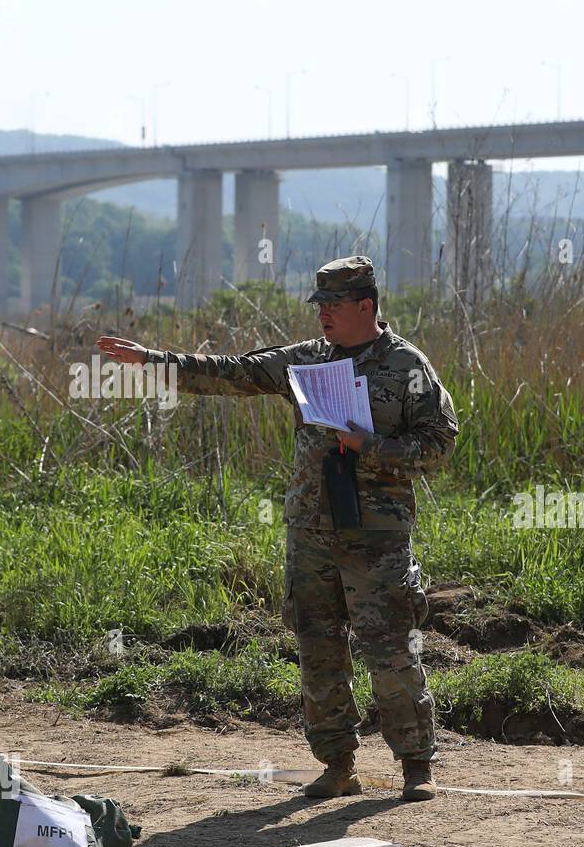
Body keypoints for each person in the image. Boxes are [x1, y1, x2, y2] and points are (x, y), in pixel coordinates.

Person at [97, 256, 458, 802]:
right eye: (319, 307)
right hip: (311, 532)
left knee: (389, 650)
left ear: (366, 306)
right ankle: (337, 764)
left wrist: (371, 447)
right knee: (317, 649)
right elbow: (233, 373)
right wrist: (152, 360)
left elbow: (439, 446)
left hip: (375, 539)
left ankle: (415, 765)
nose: (323, 317)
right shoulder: (308, 361)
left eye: (334, 306)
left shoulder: (407, 365)